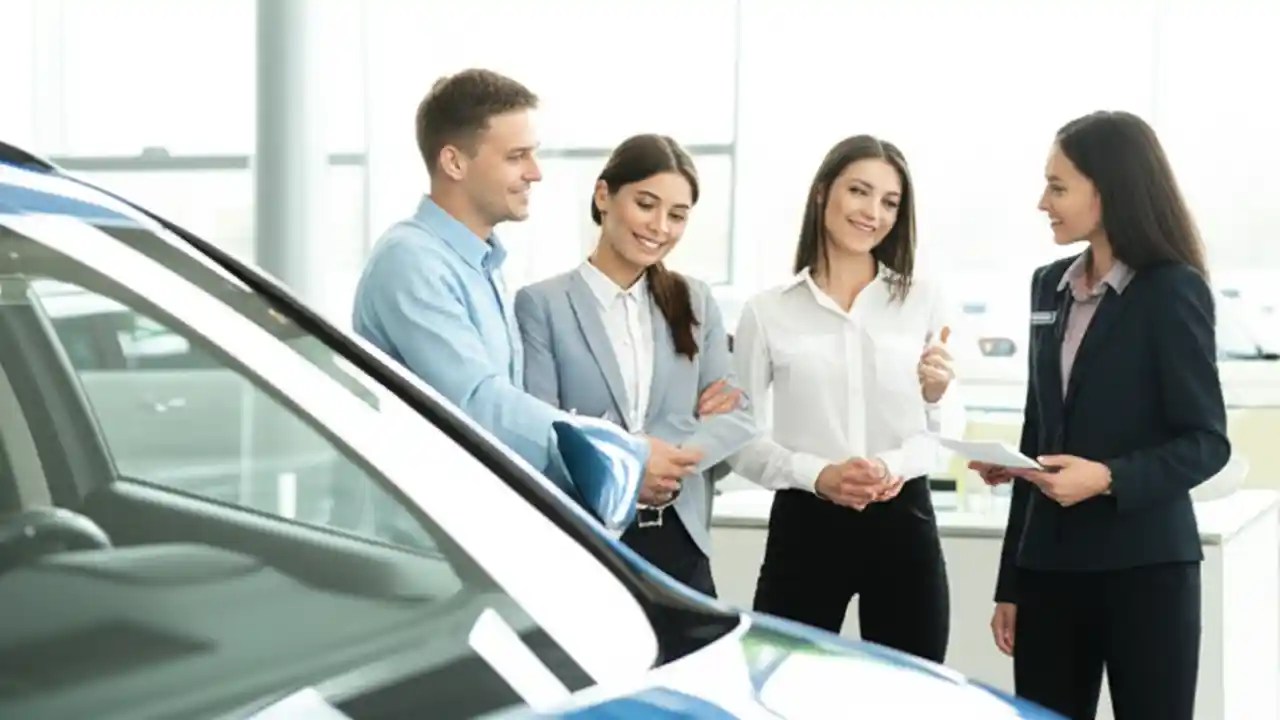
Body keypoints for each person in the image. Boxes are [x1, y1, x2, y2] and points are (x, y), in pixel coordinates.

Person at [351, 69, 722, 513]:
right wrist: (623, 453)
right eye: (516, 156)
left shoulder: (481, 266)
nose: (535, 173)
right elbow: (477, 403)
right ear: (454, 163)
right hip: (419, 532)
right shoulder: (411, 261)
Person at [975, 110, 1230, 720]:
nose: (1044, 202)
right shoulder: (1048, 288)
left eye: (1058, 186)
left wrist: (1107, 477)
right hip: (1049, 573)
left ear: (1107, 189)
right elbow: (1039, 430)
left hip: (1145, 573)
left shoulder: (1172, 290)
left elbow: (1206, 442)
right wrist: (1011, 582)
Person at [726, 135, 961, 662]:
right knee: (781, 690)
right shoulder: (767, 312)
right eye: (859, 191)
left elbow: (946, 427)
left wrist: (896, 456)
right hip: (806, 527)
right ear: (822, 194)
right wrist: (818, 474)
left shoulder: (922, 300)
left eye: (890, 202)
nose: (873, 212)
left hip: (904, 525)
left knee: (911, 699)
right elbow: (739, 439)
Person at [514, 134, 757, 597]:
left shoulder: (694, 299)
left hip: (683, 538)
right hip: (591, 537)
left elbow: (737, 414)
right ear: (604, 196)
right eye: (646, 204)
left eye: (678, 215)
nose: (660, 226)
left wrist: (669, 463)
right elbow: (544, 427)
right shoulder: (541, 305)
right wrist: (632, 461)